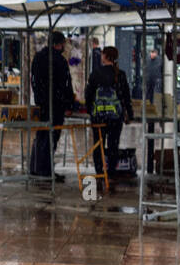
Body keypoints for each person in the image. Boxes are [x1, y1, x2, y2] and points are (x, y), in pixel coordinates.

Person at [30, 31, 77, 181]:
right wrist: (69, 103)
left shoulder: (38, 57)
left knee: (41, 134)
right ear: (59, 44)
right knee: (51, 137)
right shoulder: (59, 60)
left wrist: (39, 97)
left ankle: (35, 168)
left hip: (41, 103)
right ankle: (45, 171)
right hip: (56, 104)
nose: (64, 46)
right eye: (63, 44)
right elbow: (66, 84)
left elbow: (34, 80)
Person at [87, 45, 134, 185]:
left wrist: (91, 111)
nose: (101, 56)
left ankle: (99, 172)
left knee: (98, 144)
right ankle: (111, 172)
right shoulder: (120, 74)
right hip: (115, 117)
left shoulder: (96, 73)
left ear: (106, 56)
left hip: (98, 117)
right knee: (113, 145)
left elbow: (89, 94)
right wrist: (129, 114)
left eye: (102, 54)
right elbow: (126, 96)